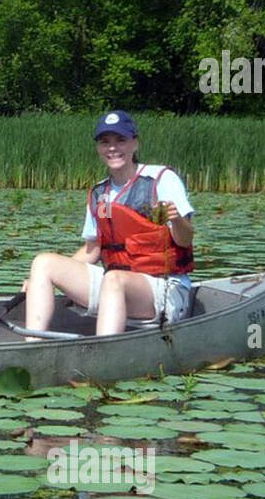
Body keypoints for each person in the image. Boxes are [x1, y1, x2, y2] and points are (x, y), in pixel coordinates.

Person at [22, 110, 195, 337]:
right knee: (43, 263)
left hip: (165, 290)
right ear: (98, 149)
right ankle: (32, 344)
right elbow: (92, 250)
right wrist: (40, 280)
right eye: (105, 142)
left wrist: (176, 219)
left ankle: (103, 353)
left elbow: (185, 238)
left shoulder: (161, 179)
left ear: (135, 143)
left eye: (121, 140)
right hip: (115, 286)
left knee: (114, 279)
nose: (112, 148)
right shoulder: (98, 193)